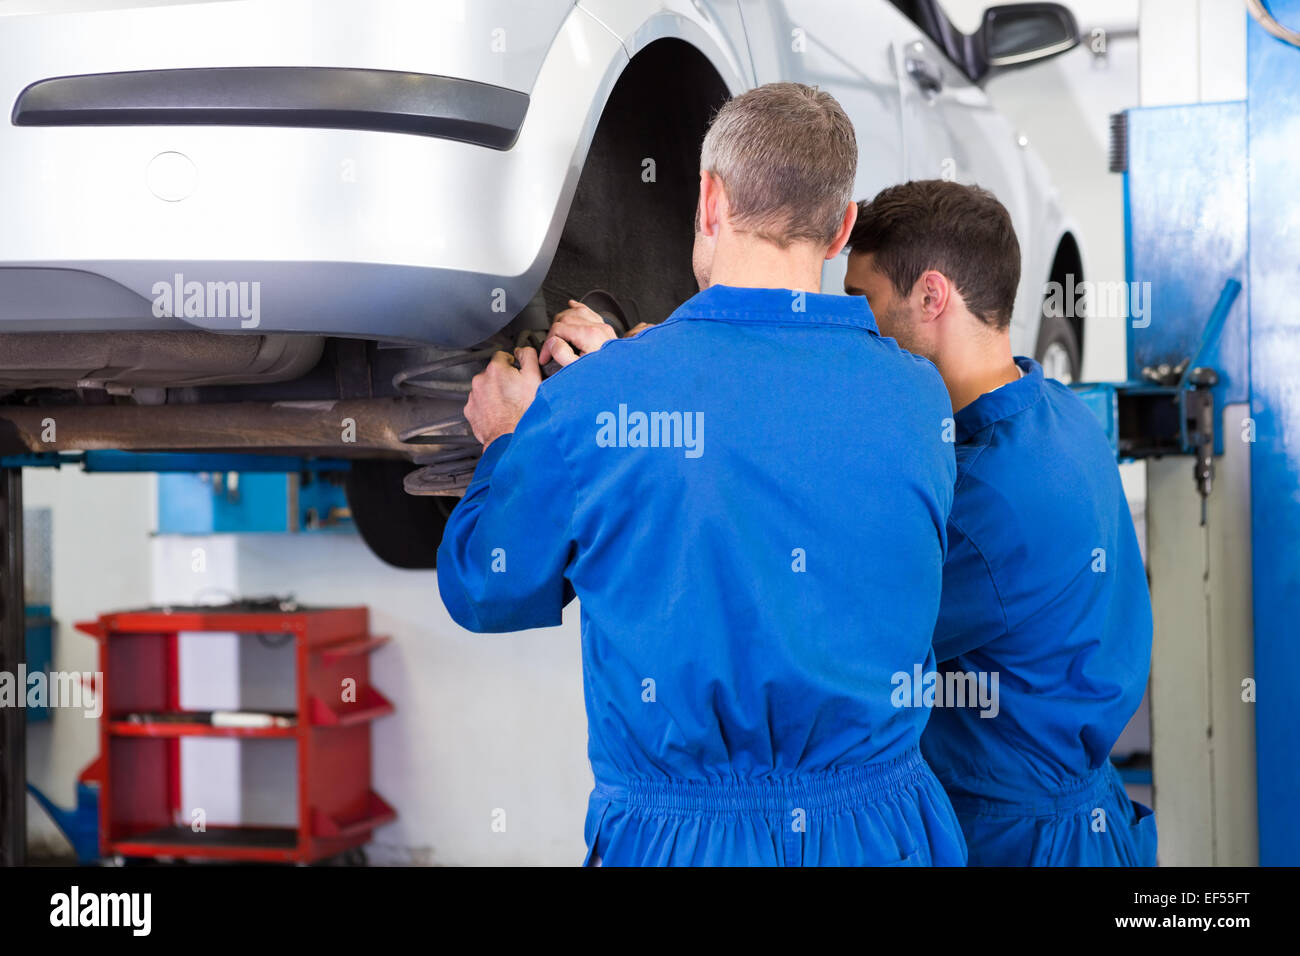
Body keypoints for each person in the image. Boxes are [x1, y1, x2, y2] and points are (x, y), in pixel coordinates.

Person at [436, 84, 966, 866]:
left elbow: (486, 587)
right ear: (842, 229)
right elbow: (763, 426)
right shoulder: (919, 396)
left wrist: (513, 440)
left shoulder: (595, 404)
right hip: (886, 832)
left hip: (686, 844)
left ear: (709, 198)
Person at [844, 179, 1156, 866]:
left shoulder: (990, 504)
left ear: (931, 296)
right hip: (1066, 811)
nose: (852, 328)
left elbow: (843, 637)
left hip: (1015, 840)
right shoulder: (1058, 411)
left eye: (860, 302)